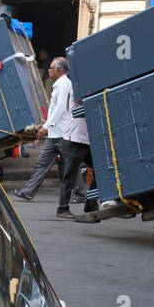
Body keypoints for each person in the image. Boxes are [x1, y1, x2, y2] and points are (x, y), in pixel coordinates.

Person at [13, 57, 71, 207]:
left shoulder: (64, 84)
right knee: (43, 164)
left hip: (62, 133)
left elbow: (60, 109)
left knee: (70, 165)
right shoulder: (58, 84)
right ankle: (28, 191)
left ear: (59, 69)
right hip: (54, 133)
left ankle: (79, 193)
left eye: (51, 68)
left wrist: (46, 127)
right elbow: (54, 109)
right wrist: (47, 126)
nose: (49, 70)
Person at [61, 90, 98, 222]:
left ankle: (91, 203)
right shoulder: (76, 86)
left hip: (88, 139)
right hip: (75, 139)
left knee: (100, 171)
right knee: (70, 176)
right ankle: (62, 208)